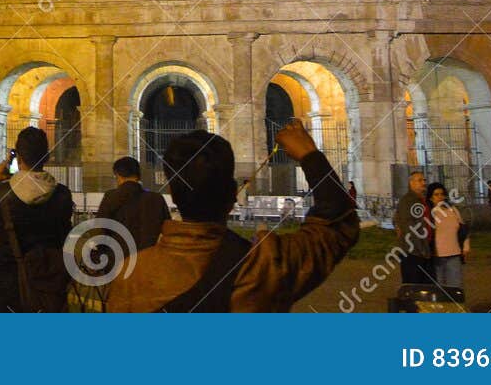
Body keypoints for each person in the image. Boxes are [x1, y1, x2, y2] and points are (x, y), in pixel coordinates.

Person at [107, 121, 358, 312]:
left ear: (172, 192)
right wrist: (308, 154)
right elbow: (338, 225)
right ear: (232, 195)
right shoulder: (267, 266)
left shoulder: (131, 277)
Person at [0, 127, 74, 312]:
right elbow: (64, 233)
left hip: (7, 287)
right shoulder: (62, 195)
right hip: (47, 285)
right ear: (47, 157)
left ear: (18, 157)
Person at [96, 156, 171, 253]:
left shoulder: (111, 197)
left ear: (118, 175)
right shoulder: (156, 199)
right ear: (138, 175)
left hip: (119, 261)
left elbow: (100, 230)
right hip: (148, 259)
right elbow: (168, 230)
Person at [427, 183, 468, 292]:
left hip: (454, 253)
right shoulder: (430, 213)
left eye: (442, 194)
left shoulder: (453, 210)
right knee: (439, 288)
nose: (440, 197)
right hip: (436, 256)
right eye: (436, 194)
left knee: (455, 287)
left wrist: (466, 246)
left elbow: (463, 228)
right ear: (431, 198)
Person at [393, 170, 432, 285]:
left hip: (422, 248)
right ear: (411, 183)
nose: (423, 183)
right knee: (413, 285)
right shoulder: (408, 200)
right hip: (413, 251)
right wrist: (421, 249)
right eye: (419, 180)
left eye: (424, 180)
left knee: (423, 285)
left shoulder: (422, 200)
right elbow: (408, 227)